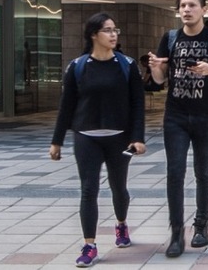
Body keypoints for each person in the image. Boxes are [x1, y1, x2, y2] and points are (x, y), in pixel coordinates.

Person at [145, 0, 208, 258]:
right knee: (175, 172)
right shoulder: (170, 38)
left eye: (192, 5)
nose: (187, 9)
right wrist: (155, 66)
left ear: (204, 10)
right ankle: (176, 233)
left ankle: (201, 226)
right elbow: (161, 79)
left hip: (207, 116)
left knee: (203, 171)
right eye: (183, 6)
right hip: (175, 116)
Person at [52, 13, 148, 267]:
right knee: (88, 190)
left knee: (119, 188)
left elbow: (138, 105)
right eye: (107, 30)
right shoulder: (77, 66)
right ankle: (89, 245)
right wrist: (57, 141)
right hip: (86, 138)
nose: (114, 34)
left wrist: (138, 137)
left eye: (115, 30)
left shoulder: (127, 65)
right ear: (94, 35)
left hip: (120, 139)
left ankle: (121, 224)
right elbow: (67, 106)